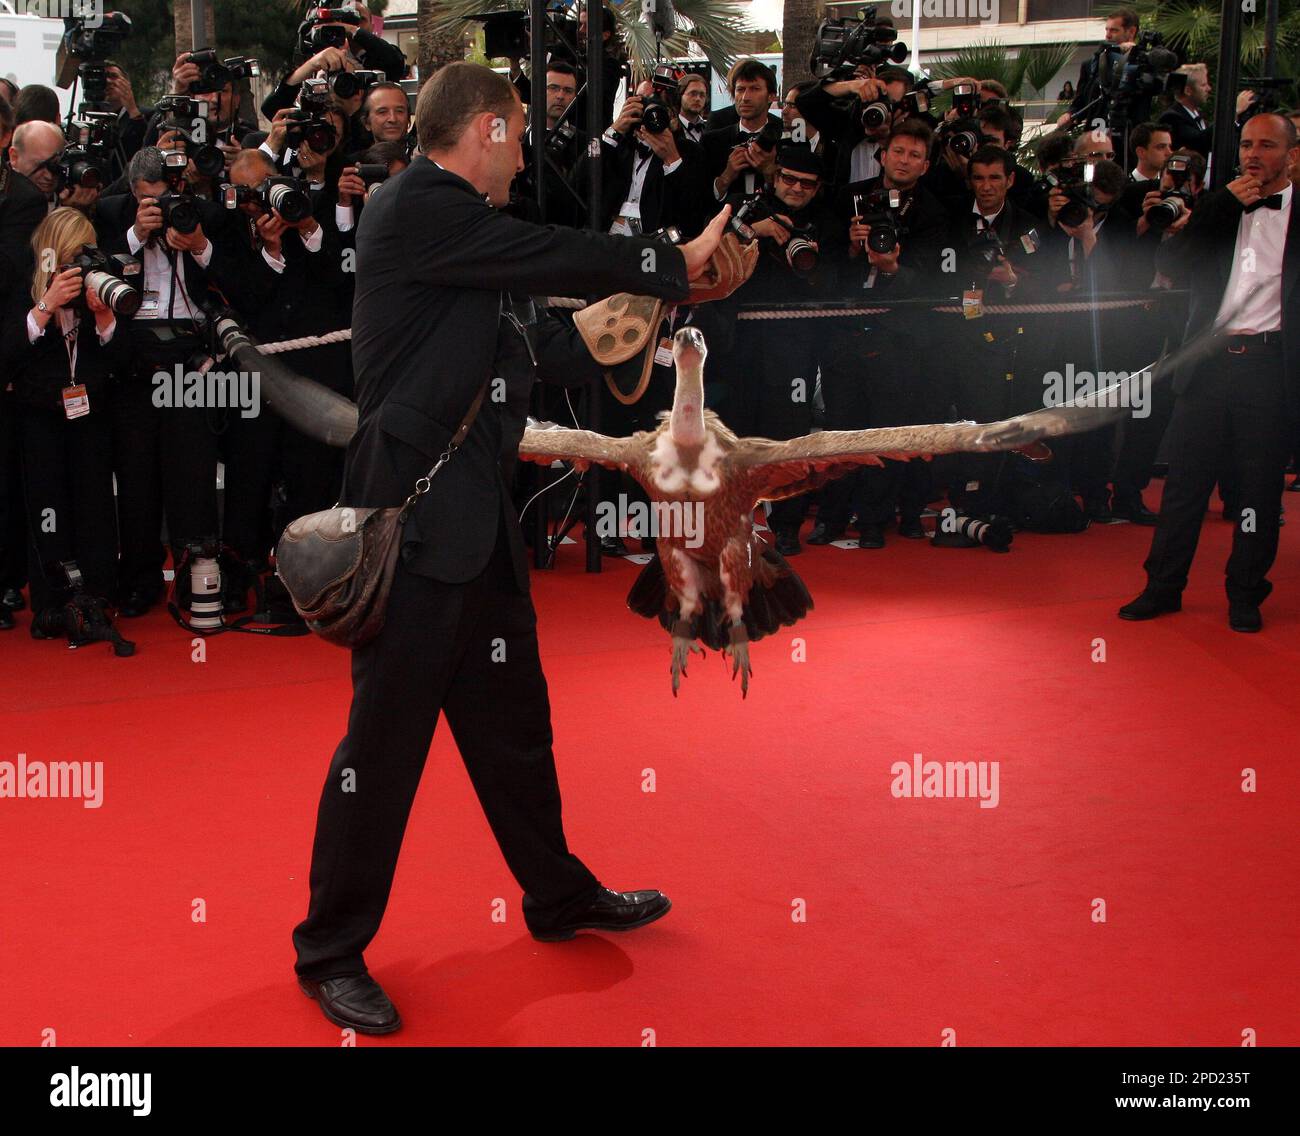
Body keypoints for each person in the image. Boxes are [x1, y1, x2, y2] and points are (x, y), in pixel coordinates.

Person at [290, 61, 730, 1035]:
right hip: (407, 534)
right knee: (382, 752)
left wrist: (666, 314)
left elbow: (545, 347)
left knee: (515, 732)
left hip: (478, 529)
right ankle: (327, 951)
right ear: (485, 129)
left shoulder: (468, 248)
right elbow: (551, 256)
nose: (525, 153)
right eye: (520, 134)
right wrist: (667, 260)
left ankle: (557, 893)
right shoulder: (416, 208)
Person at [1120, 113, 1300, 632]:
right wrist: (1220, 207)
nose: (1253, 155)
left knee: (1257, 492)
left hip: (1270, 367)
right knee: (1184, 486)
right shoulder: (1219, 209)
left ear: (1290, 155)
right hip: (1210, 363)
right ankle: (1162, 587)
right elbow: (1174, 263)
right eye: (1246, 144)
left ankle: (1245, 593)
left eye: (1267, 145)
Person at [1, 208, 129, 635]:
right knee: (47, 507)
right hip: (40, 417)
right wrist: (46, 305)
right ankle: (52, 599)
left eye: (87, 254)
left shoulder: (99, 288)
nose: (82, 266)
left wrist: (105, 317)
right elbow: (8, 352)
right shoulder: (25, 287)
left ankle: (97, 591)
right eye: (74, 255)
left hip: (91, 414)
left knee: (94, 503)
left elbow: (124, 362)